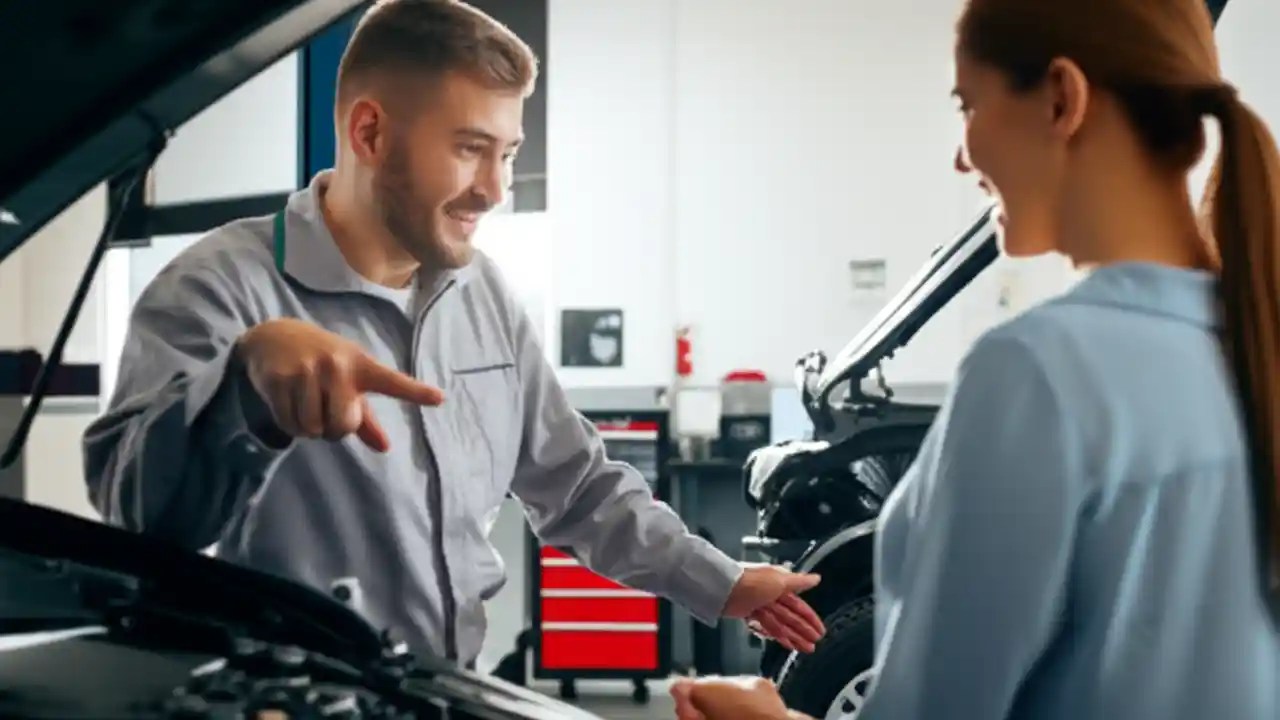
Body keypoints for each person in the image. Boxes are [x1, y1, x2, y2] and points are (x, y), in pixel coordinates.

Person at [82, 0, 826, 669]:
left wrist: (720, 582)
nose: (496, 189)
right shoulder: (218, 285)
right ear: (369, 132)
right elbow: (138, 518)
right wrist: (241, 396)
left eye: (507, 153)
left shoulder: (485, 295)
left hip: (443, 690)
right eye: (470, 147)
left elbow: (578, 486)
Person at [672, 0, 1280, 718]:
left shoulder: (1038, 373)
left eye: (968, 105)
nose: (962, 156)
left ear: (1061, 98)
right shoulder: (1249, 345)